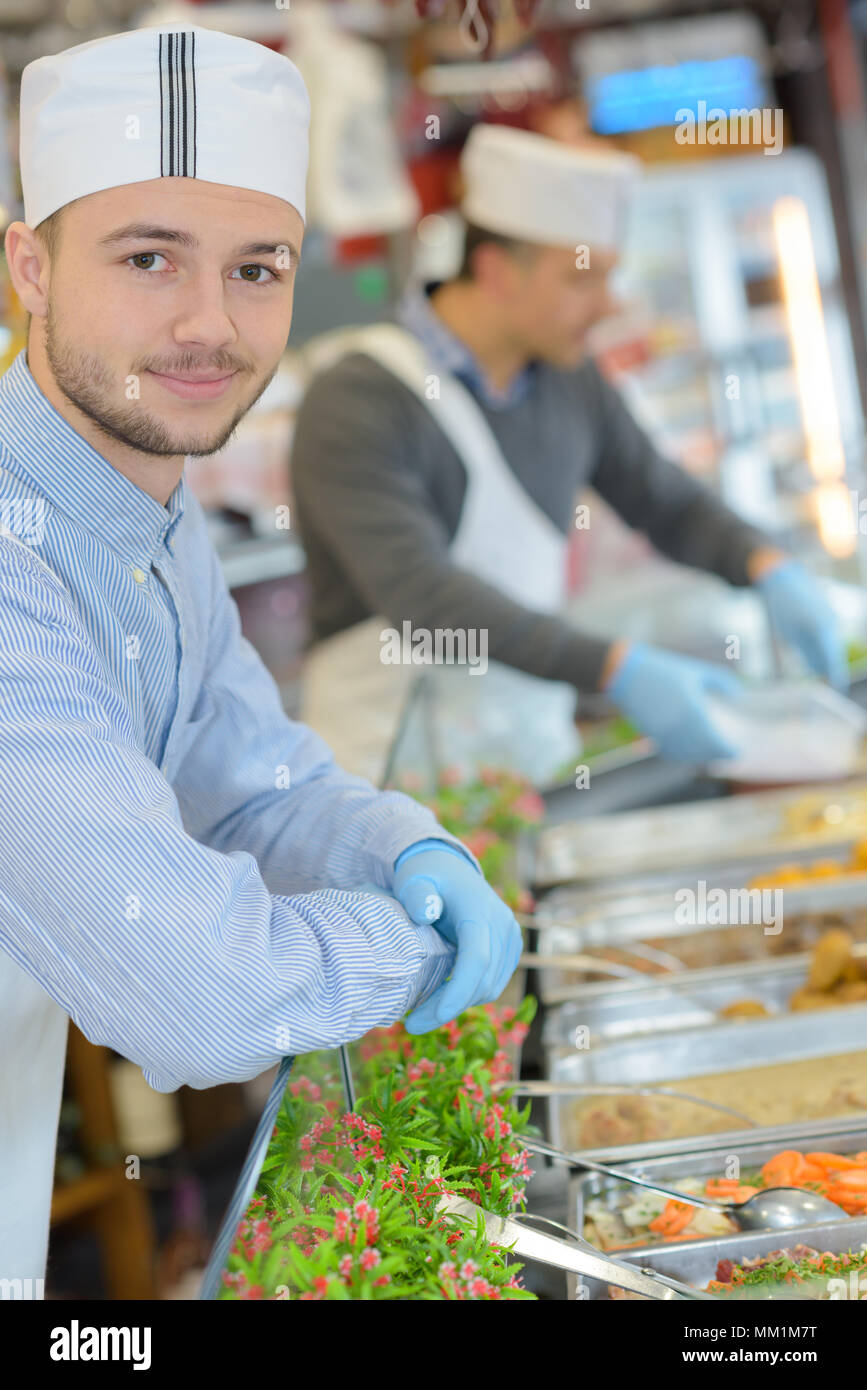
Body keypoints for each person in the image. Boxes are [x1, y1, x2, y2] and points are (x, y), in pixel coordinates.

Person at [0, 27, 521, 1291]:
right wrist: (412, 941)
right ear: (30, 265)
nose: (206, 324)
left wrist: (400, 845)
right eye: (146, 259)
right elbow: (202, 1000)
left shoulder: (152, 515)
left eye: (256, 269)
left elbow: (241, 777)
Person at [292, 123, 847, 774]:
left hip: (523, 763)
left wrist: (764, 564)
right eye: (582, 279)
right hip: (384, 777)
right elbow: (422, 597)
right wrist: (616, 667)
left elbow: (660, 497)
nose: (605, 305)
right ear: (498, 273)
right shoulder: (359, 400)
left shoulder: (567, 378)